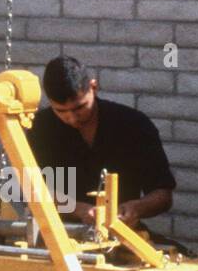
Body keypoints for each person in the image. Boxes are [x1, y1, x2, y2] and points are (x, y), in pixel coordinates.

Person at [26, 55, 175, 227]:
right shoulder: (39, 129)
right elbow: (28, 190)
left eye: (79, 107)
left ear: (94, 87)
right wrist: (78, 209)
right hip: (58, 235)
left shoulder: (134, 125)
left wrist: (136, 208)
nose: (72, 118)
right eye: (61, 111)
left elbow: (163, 194)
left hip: (122, 232)